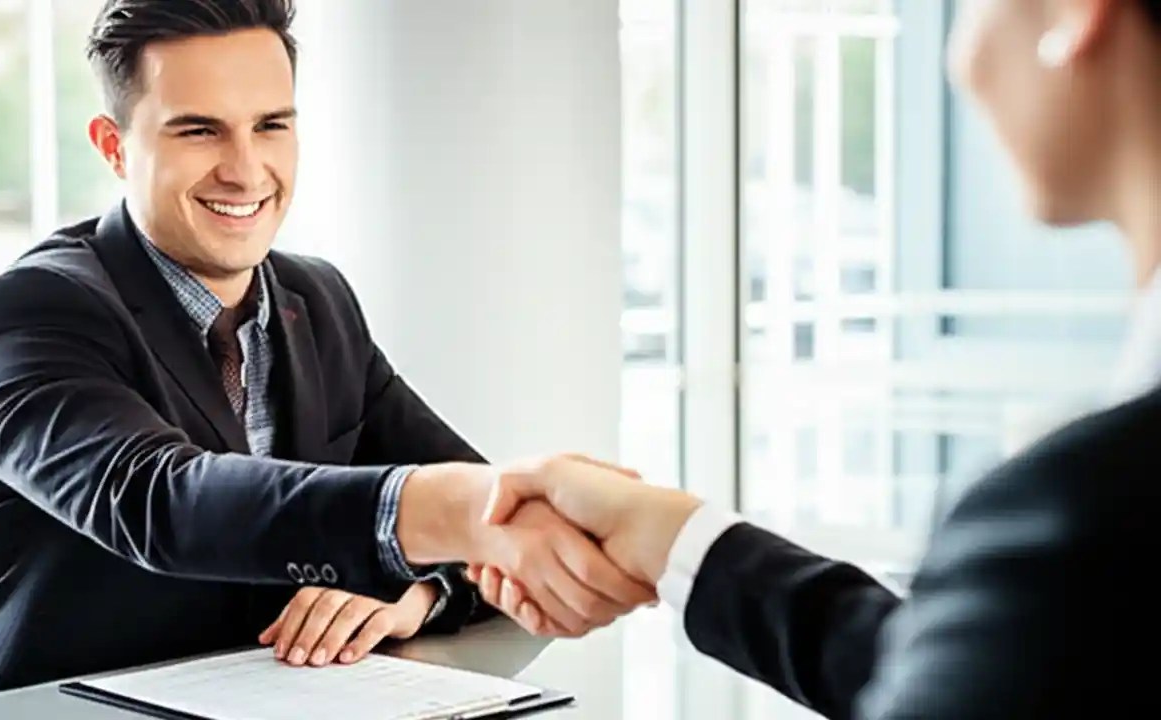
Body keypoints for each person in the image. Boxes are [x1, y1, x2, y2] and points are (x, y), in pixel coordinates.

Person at [0, 0, 651, 706]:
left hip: (267, 699)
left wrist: (408, 592)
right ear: (113, 146)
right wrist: (451, 511)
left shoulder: (315, 301)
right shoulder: (32, 311)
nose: (246, 168)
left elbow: (475, 526)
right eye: (199, 131)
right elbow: (162, 501)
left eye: (271, 126)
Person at [471, 0, 1161, 717]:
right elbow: (991, 667)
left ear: (1079, 14)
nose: (963, 61)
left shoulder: (1079, 516)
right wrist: (675, 538)